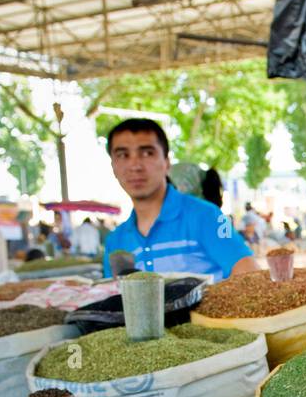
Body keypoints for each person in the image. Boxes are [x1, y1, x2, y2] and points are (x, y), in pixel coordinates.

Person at [101, 119, 256, 279]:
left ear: (167, 163)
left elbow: (250, 276)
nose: (135, 166)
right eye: (123, 155)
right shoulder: (115, 242)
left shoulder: (207, 216)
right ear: (113, 166)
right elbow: (114, 295)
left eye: (147, 153)